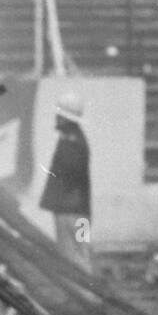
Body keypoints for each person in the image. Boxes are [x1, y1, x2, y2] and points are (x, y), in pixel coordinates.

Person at [38, 93, 93, 276]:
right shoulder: (77, 139)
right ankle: (89, 296)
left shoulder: (70, 142)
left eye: (59, 115)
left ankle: (83, 297)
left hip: (70, 212)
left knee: (72, 256)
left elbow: (66, 174)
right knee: (82, 252)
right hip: (80, 211)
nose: (56, 118)